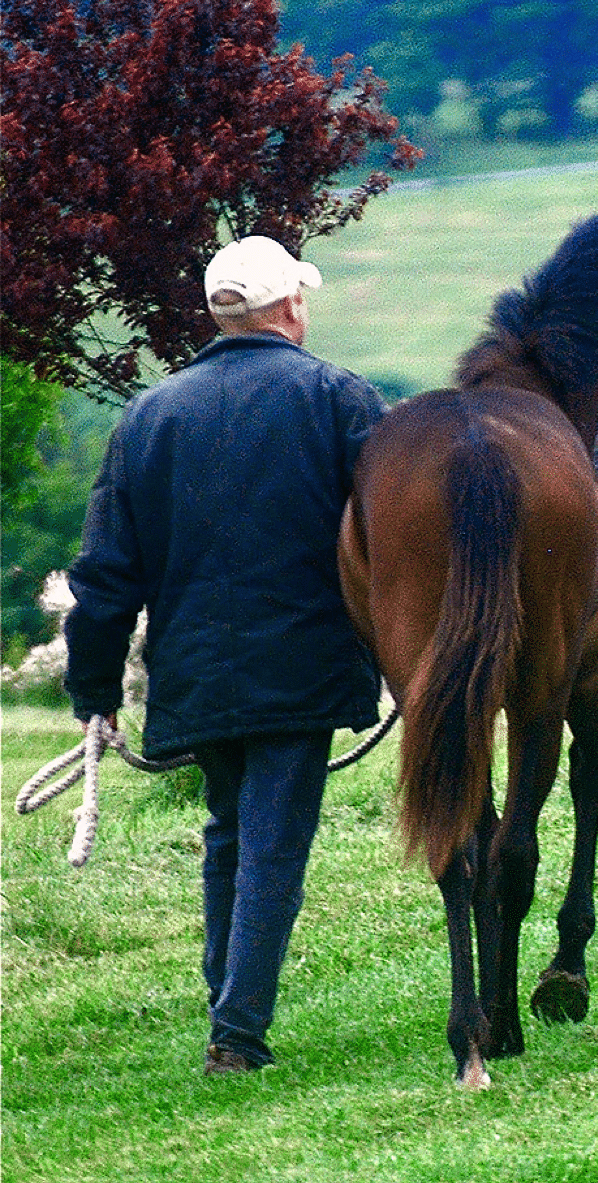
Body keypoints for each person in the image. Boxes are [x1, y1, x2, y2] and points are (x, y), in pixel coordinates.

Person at [64, 235, 386, 1074]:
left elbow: (104, 576)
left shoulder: (149, 415)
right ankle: (237, 1035)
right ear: (290, 307)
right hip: (304, 667)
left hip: (195, 672)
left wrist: (94, 690)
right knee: (271, 842)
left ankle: (228, 1007)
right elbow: (396, 538)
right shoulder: (338, 398)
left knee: (230, 833)